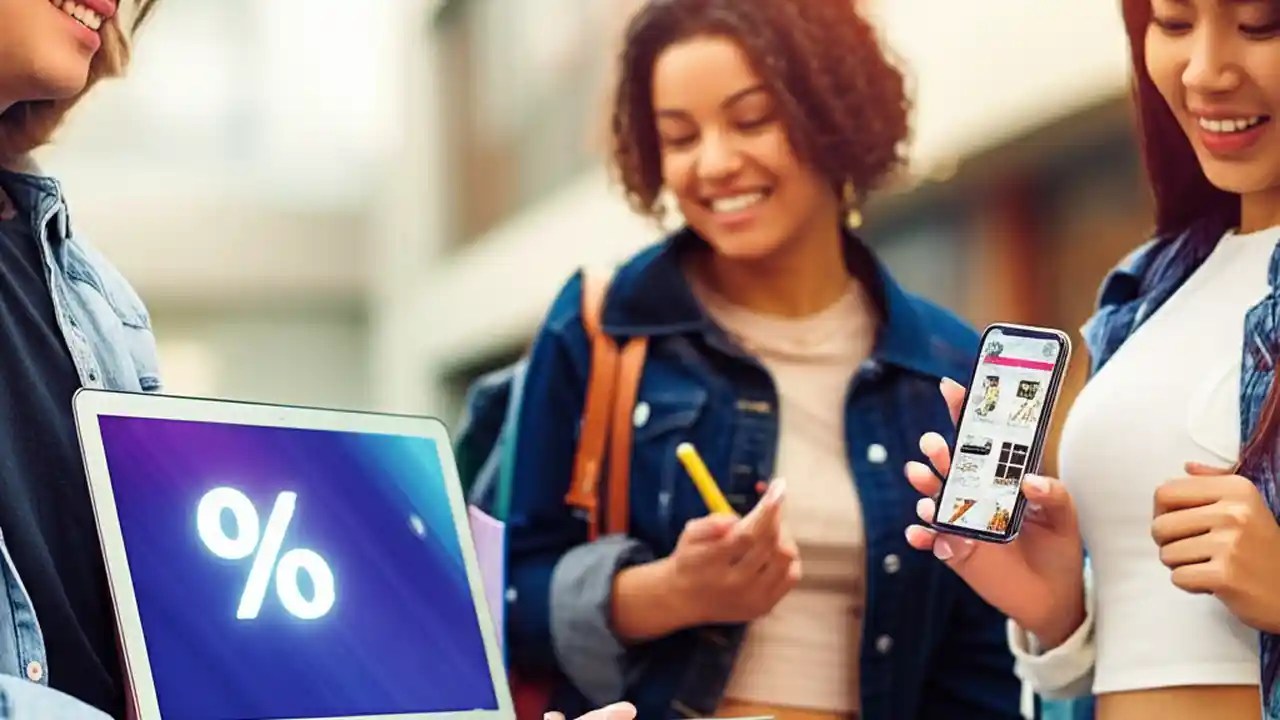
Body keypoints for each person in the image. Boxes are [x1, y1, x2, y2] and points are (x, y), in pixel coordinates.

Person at [499, 1, 1022, 718]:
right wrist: (670, 592)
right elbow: (501, 598)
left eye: (751, 121)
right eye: (679, 136)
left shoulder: (959, 368)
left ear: (834, 114)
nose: (713, 164)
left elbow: (987, 659)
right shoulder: (599, 327)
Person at [906, 0, 1280, 718]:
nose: (1204, 70)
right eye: (1172, 23)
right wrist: (1057, 614)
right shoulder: (1146, 287)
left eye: (1261, 24)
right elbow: (1146, 640)